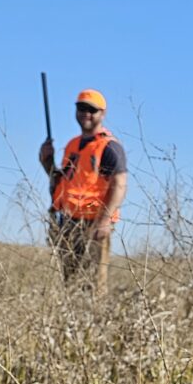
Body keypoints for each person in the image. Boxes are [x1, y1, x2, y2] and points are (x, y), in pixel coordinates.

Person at [39, 89, 128, 295]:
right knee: (69, 283)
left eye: (92, 110)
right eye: (81, 108)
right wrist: (47, 161)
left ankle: (95, 325)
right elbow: (60, 180)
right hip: (69, 222)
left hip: (94, 224)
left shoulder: (109, 147)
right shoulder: (72, 145)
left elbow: (119, 184)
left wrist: (104, 221)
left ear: (102, 114)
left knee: (94, 285)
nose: (86, 113)